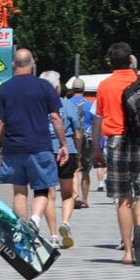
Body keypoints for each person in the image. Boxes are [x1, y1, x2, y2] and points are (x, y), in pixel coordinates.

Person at [0, 49, 68, 245]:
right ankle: (35, 219)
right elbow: (56, 118)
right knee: (42, 189)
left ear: (14, 65)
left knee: (19, 192)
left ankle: (22, 233)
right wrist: (63, 144)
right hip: (40, 146)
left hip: (14, 148)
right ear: (32, 65)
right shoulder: (44, 86)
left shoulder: (4, 88)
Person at [95, 41, 140, 265]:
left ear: (110, 62)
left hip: (116, 143)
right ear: (130, 59)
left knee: (123, 199)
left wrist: (97, 148)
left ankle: (127, 253)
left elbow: (99, 117)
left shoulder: (105, 85)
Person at [44, 70, 85, 248]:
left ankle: (52, 235)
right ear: (57, 87)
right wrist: (79, 154)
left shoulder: (38, 105)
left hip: (45, 151)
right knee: (67, 194)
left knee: (48, 194)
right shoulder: (68, 105)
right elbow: (77, 133)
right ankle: (66, 222)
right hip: (67, 150)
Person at [65, 76, 94, 209]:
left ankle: (73, 196)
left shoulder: (66, 103)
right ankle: (85, 199)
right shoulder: (90, 104)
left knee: (73, 169)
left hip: (71, 138)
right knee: (86, 170)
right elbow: (95, 122)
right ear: (83, 89)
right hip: (87, 139)